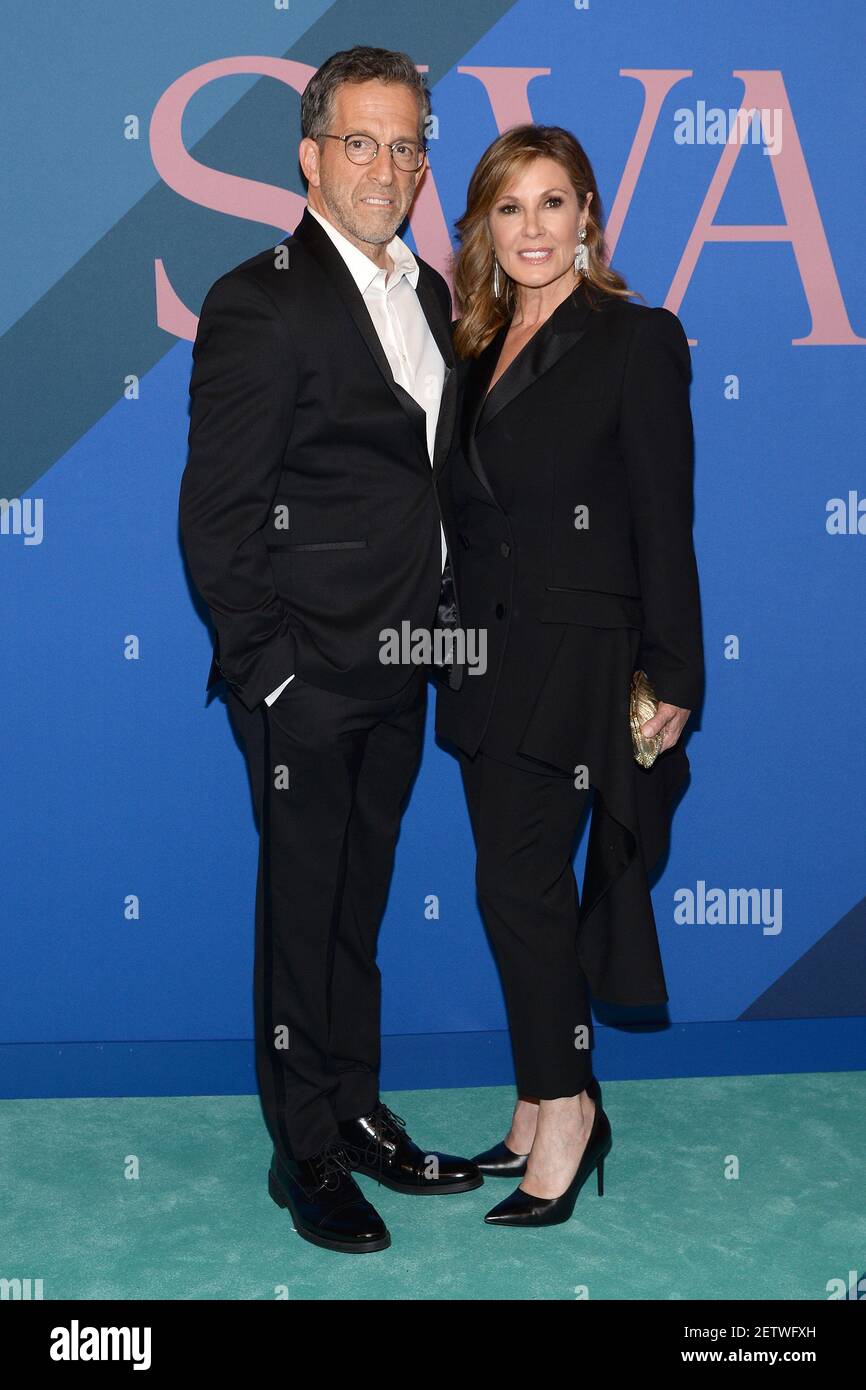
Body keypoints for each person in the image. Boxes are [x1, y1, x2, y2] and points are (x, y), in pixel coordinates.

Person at [179, 46, 481, 1257]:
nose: (387, 166)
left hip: (401, 664)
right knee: (301, 918)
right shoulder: (258, 298)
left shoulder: (430, 294)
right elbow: (218, 516)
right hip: (302, 677)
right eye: (361, 141)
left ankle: (354, 1110)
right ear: (310, 157)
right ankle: (301, 1150)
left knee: (355, 913)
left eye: (407, 144)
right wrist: (273, 675)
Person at [433, 124, 704, 1228]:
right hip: (479, 658)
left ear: (587, 214)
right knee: (519, 891)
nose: (532, 228)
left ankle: (568, 1112)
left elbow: (661, 516)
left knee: (519, 887)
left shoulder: (635, 338)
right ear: (484, 228)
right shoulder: (469, 345)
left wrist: (672, 667)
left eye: (552, 204)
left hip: (582, 656)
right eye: (509, 208)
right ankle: (543, 1090)